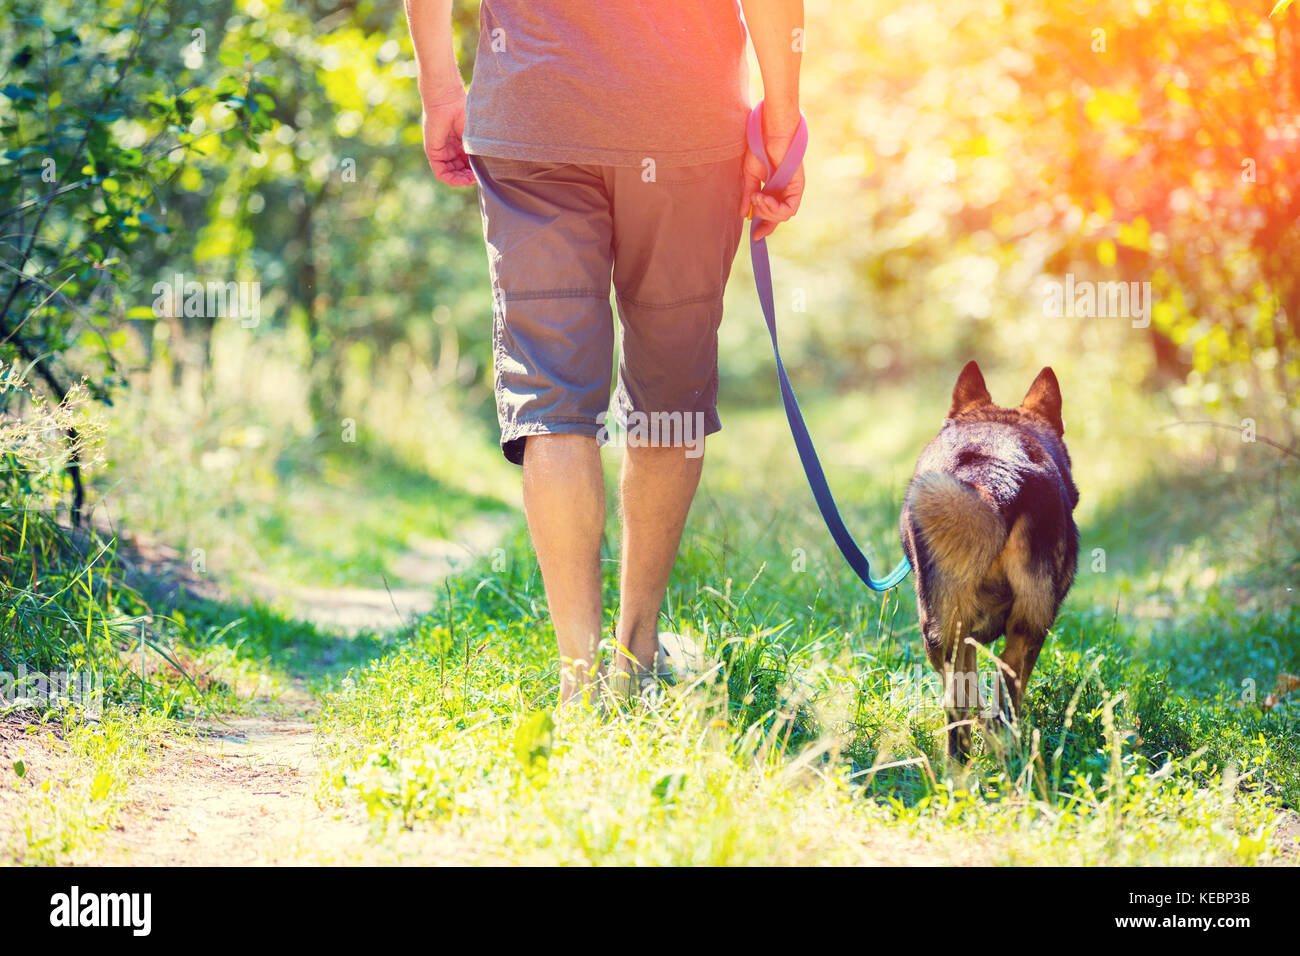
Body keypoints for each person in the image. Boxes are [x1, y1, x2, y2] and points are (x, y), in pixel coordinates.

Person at [405, 0, 805, 702]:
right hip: (684, 121)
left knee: (550, 390)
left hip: (534, 119)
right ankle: (637, 656)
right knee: (669, 396)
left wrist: (440, 89)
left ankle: (579, 678)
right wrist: (780, 124)